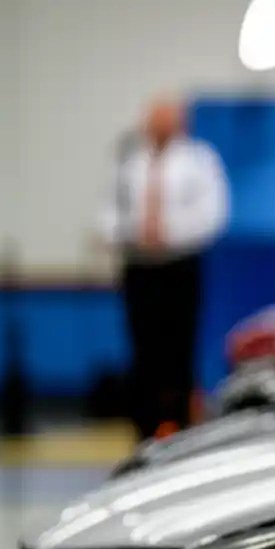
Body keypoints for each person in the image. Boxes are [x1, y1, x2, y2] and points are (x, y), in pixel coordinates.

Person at [100, 96, 229, 440]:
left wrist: (167, 234)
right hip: (140, 266)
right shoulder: (130, 161)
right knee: (144, 348)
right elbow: (110, 211)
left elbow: (212, 215)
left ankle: (179, 424)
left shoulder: (200, 160)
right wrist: (130, 233)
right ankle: (144, 426)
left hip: (180, 266)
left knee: (179, 347)